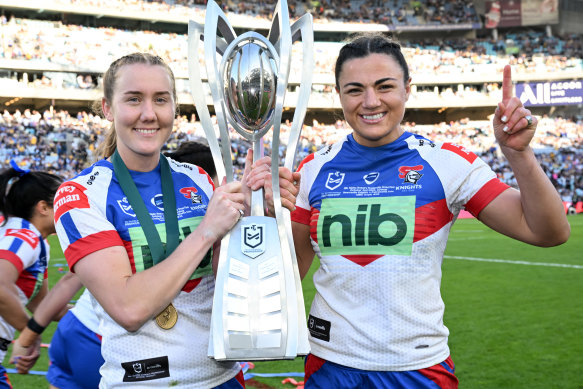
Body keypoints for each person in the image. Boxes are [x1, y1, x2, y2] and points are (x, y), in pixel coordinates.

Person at [289, 33, 570, 388]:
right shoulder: (313, 169)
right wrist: (266, 212)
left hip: (417, 367)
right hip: (330, 364)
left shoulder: (447, 163)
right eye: (355, 89)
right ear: (339, 95)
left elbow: (548, 232)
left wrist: (518, 154)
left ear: (408, 88)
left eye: (385, 86)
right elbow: (287, 276)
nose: (371, 101)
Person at [52, 52, 297, 388]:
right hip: (142, 381)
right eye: (134, 99)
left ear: (174, 108)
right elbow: (129, 308)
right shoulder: (80, 194)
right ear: (108, 108)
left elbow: (229, 277)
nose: (149, 114)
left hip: (221, 377)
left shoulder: (197, 178)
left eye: (161, 99)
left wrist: (259, 215)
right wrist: (207, 231)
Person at [9, 140, 225, 388]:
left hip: (78, 327)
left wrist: (30, 334)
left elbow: (69, 283)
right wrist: (27, 335)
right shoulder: (112, 204)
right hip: (103, 341)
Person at [0, 161, 62, 388]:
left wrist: (92, 315)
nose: (70, 209)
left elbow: (42, 304)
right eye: (63, 202)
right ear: (43, 207)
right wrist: (31, 334)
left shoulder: (36, 241)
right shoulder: (24, 238)